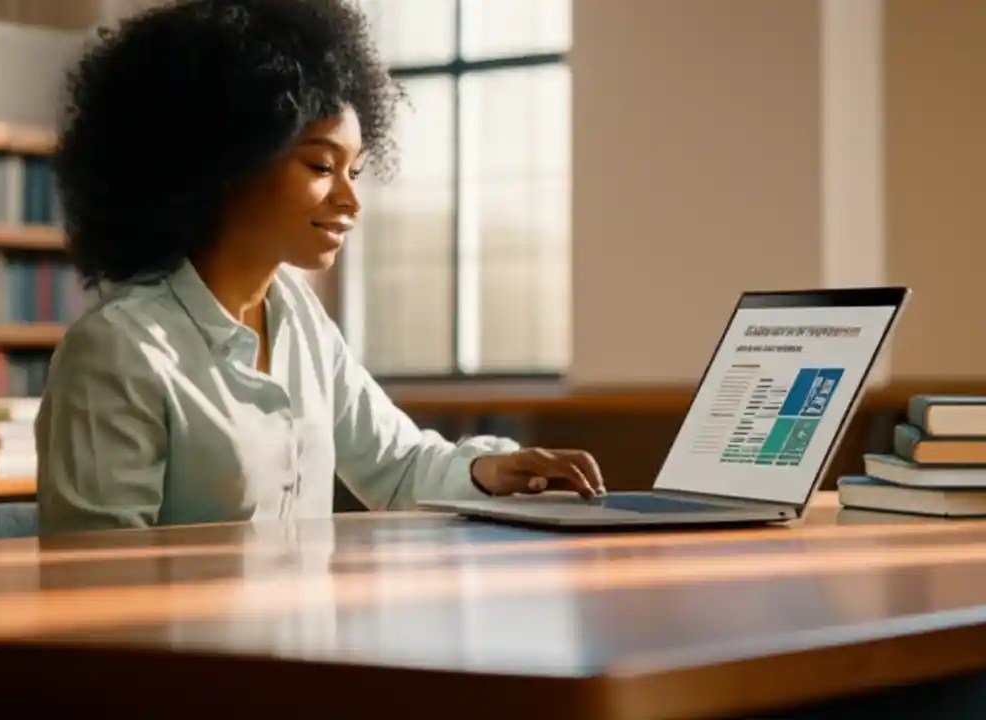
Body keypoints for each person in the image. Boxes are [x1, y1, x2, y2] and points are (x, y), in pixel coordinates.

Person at [36, 0, 605, 534]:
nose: (350, 202)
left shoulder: (299, 319)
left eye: (353, 172)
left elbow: (397, 466)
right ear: (227, 159)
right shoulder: (119, 350)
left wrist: (492, 471)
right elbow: (95, 573)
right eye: (320, 166)